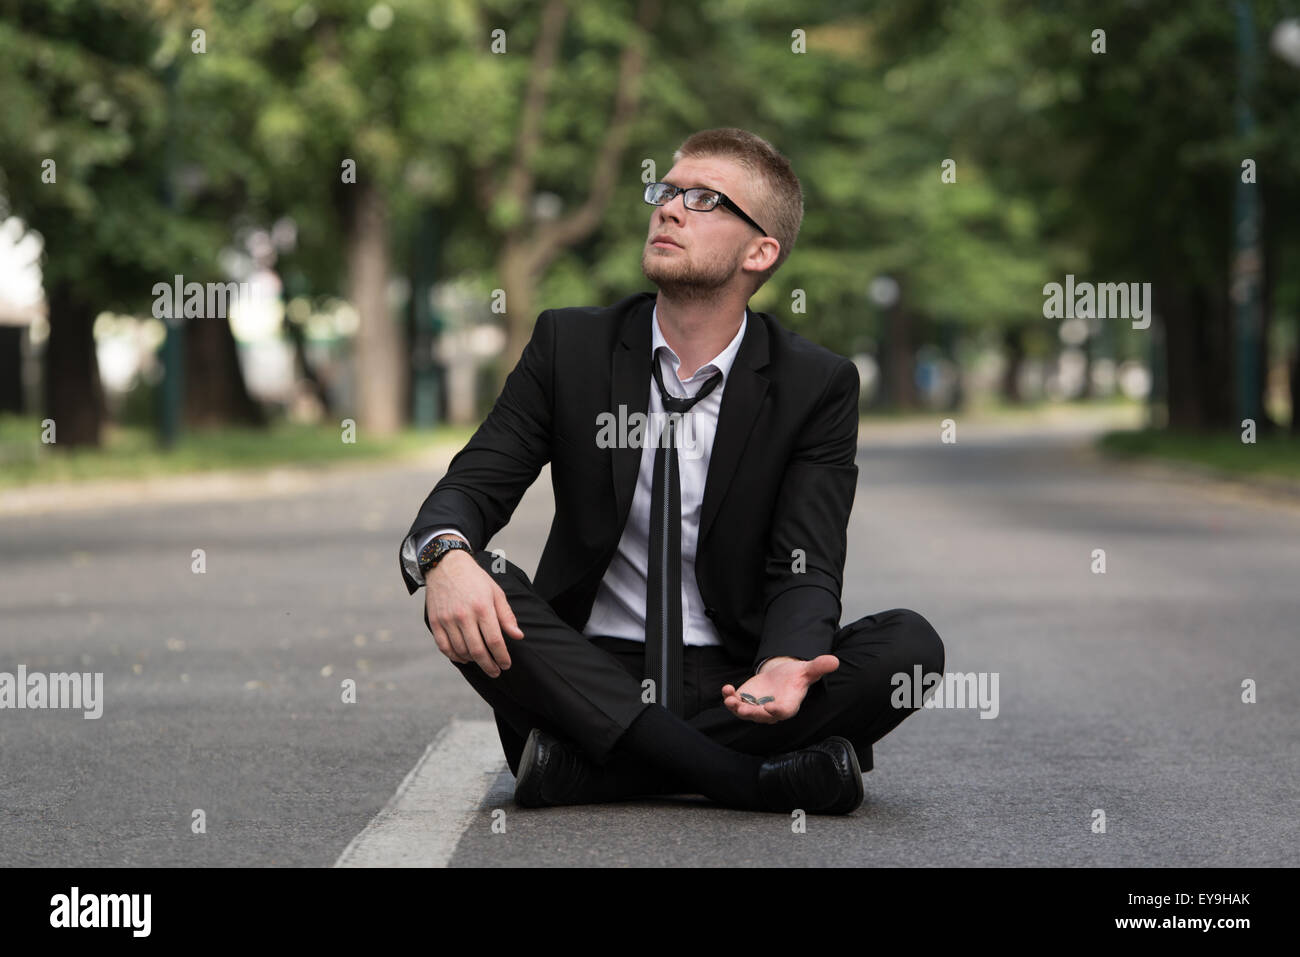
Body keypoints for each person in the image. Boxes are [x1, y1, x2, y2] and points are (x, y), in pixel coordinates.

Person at [398, 127, 944, 815]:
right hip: (583, 666)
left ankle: (592, 770)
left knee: (911, 646)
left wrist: (786, 659)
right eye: (666, 191)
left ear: (760, 251)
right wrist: (442, 554)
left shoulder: (816, 383)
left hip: (733, 678)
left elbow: (807, 560)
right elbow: (474, 485)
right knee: (475, 583)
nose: (669, 208)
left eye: (704, 199)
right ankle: (746, 780)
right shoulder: (571, 345)